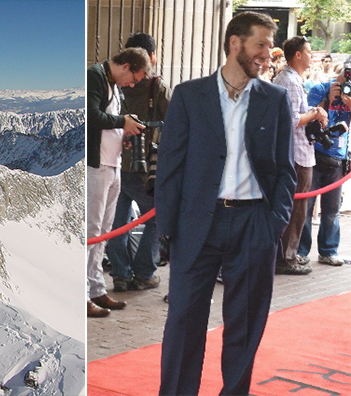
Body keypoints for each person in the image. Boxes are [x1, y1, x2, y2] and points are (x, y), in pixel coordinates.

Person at [155, 11, 297, 395]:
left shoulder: (276, 99)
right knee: (183, 322)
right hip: (197, 225)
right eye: (261, 44)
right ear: (235, 43)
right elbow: (170, 167)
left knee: (245, 324)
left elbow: (286, 170)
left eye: (270, 45)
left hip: (254, 224)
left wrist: (274, 225)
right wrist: (168, 231)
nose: (268, 54)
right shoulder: (189, 95)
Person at [87, 47, 151, 317]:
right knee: (92, 230)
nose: (133, 84)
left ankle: (96, 288)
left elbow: (109, 121)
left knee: (105, 229)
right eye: (134, 78)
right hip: (97, 165)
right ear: (126, 65)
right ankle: (84, 293)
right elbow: (91, 115)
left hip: (113, 164)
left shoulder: (114, 85)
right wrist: (121, 122)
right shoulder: (95, 76)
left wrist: (123, 131)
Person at [107, 33, 171, 292]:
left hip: (113, 161)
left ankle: (121, 274)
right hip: (144, 168)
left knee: (115, 222)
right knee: (157, 216)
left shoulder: (114, 85)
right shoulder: (157, 86)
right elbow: (176, 124)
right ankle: (144, 272)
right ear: (151, 56)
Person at [272, 36, 329, 275]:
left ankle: (290, 253)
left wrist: (314, 112)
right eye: (308, 51)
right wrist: (315, 114)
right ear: (297, 55)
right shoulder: (290, 81)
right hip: (296, 154)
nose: (312, 56)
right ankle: (286, 257)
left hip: (297, 152)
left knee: (298, 207)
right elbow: (293, 119)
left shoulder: (290, 79)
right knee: (296, 208)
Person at [298, 59, 351, 266]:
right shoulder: (321, 88)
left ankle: (329, 250)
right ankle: (301, 251)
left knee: (331, 209)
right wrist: (328, 101)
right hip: (314, 154)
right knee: (306, 205)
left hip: (338, 158)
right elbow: (308, 119)